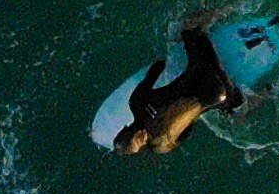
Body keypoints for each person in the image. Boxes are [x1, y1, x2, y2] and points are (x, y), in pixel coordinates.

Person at [109, 13, 255, 154]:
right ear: (125, 128)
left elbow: (188, 131)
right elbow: (158, 67)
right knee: (189, 26)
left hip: (219, 95)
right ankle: (232, 8)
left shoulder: (160, 145)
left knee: (238, 109)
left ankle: (268, 92)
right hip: (204, 70)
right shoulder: (136, 102)